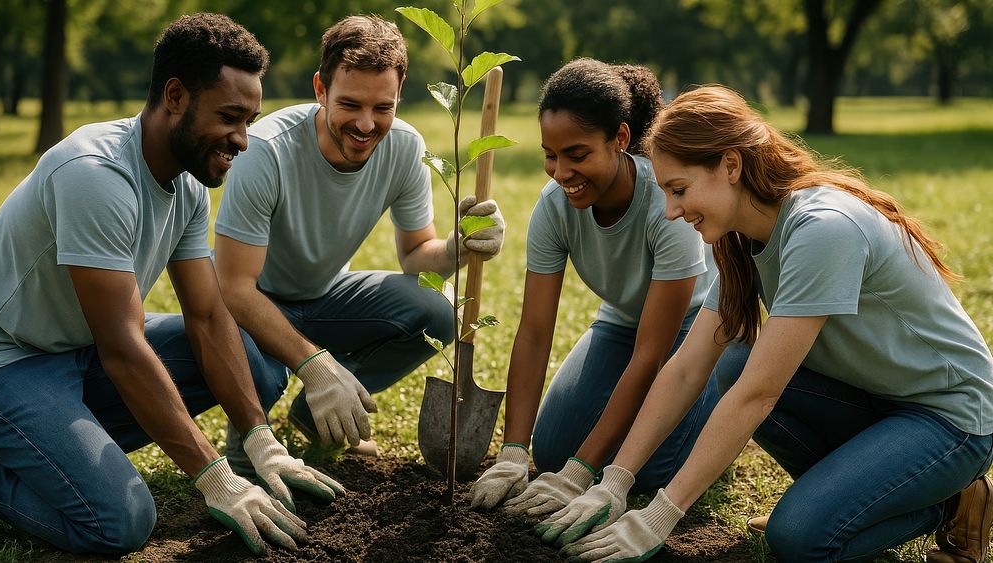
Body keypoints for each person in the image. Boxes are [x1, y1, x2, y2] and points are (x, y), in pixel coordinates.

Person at [540, 85, 993, 563]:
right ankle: (840, 499)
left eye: (678, 190)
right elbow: (687, 367)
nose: (671, 210)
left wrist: (661, 514)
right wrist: (615, 480)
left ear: (731, 166)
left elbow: (759, 394)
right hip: (876, 401)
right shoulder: (742, 239)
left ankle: (947, 501)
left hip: (947, 416)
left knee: (800, 539)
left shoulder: (823, 229)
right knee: (733, 363)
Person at [0, 13, 342, 556]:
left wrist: (259, 437)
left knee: (255, 361)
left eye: (249, 119)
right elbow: (124, 348)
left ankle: (53, 440)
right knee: (121, 521)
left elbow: (207, 315)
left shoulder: (186, 183)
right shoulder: (95, 175)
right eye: (229, 117)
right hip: (13, 357)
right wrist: (216, 479)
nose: (243, 140)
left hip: (79, 350)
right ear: (175, 96)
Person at [213, 15, 505, 453]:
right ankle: (258, 425)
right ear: (320, 90)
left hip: (328, 298)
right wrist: (314, 365)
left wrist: (458, 247)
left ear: (398, 97)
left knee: (438, 310)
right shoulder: (266, 152)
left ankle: (320, 413)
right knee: (259, 409)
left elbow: (416, 256)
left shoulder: (404, 147)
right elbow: (233, 289)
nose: (367, 125)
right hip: (255, 304)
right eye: (350, 105)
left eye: (383, 108)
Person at [468, 58, 717, 518]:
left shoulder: (663, 206)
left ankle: (718, 413)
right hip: (622, 321)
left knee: (648, 468)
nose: (561, 172)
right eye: (550, 155)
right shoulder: (555, 208)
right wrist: (513, 451)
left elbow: (652, 353)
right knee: (551, 450)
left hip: (696, 328)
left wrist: (582, 471)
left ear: (621, 139)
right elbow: (535, 331)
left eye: (577, 155)